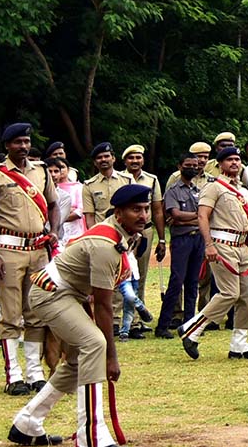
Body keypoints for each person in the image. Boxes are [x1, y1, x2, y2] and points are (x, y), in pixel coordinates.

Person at [7, 183, 156, 447]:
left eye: (146, 209)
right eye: (136, 210)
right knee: (94, 344)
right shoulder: (105, 245)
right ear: (119, 213)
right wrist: (112, 357)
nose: (144, 215)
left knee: (78, 362)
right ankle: (92, 436)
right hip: (50, 294)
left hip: (69, 294)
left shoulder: (122, 234)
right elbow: (102, 305)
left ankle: (28, 422)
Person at [177, 146, 248, 360]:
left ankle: (239, 345)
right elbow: (202, 216)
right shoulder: (214, 187)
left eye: (237, 159)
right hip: (221, 243)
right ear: (220, 164)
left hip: (242, 247)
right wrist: (208, 245)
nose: (234, 163)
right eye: (229, 159)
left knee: (247, 296)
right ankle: (191, 329)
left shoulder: (243, 192)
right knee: (229, 293)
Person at [0, 123, 62, 394]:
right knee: (11, 316)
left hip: (38, 250)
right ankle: (14, 376)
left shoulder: (42, 171)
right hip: (7, 249)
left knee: (36, 313)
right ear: (7, 145)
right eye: (17, 142)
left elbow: (53, 204)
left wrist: (54, 231)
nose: (23, 146)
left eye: (26, 141)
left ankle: (34, 372)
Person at [155, 153, 205, 338]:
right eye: (188, 164)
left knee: (193, 283)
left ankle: (190, 325)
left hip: (198, 239)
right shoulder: (173, 190)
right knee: (176, 282)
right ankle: (163, 325)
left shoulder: (197, 189)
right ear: (179, 166)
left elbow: (203, 214)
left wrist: (189, 218)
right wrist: (197, 216)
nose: (192, 167)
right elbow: (175, 215)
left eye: (195, 164)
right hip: (181, 241)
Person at [120, 144, 167, 310]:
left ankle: (138, 316)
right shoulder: (119, 178)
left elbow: (157, 211)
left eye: (138, 157)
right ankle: (120, 317)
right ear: (124, 161)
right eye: (131, 158)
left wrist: (162, 239)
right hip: (123, 232)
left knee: (140, 274)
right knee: (121, 272)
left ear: (143, 160)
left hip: (145, 231)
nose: (135, 161)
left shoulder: (151, 180)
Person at [81, 143, 133, 228]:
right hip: (103, 231)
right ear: (94, 162)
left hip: (126, 229)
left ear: (113, 158)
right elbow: (89, 215)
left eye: (106, 156)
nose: (103, 159)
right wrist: (94, 235)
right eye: (99, 158)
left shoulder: (128, 180)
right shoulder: (89, 185)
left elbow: (135, 207)